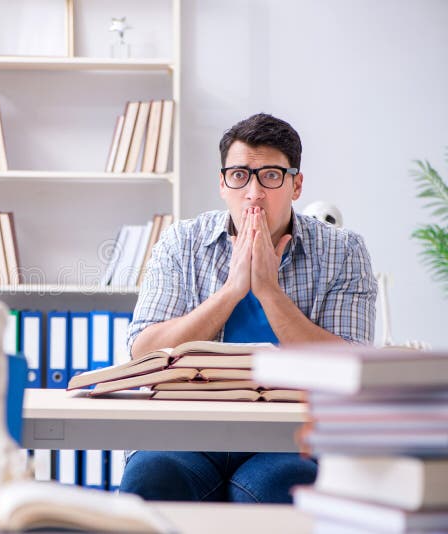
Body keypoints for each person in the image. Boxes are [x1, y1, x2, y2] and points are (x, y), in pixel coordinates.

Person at [119, 113, 377, 503]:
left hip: (286, 439)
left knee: (281, 491)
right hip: (185, 430)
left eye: (271, 176)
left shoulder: (344, 252)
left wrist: (269, 292)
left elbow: (350, 369)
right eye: (239, 175)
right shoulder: (181, 243)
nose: (254, 193)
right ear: (222, 183)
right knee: (151, 481)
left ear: (296, 184)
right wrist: (231, 292)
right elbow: (143, 351)